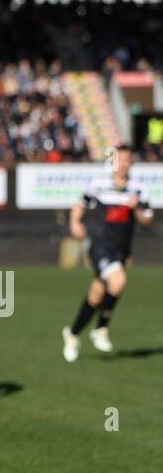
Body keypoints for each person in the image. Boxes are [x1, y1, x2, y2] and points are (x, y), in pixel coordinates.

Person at [61, 144, 154, 361]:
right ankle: (100, 329)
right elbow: (80, 203)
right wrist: (75, 222)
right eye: (119, 159)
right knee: (118, 281)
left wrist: (137, 208)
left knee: (97, 294)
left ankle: (73, 333)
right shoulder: (98, 185)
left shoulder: (139, 190)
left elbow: (147, 220)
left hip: (121, 249)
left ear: (132, 162)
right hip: (101, 246)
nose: (122, 163)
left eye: (126, 159)